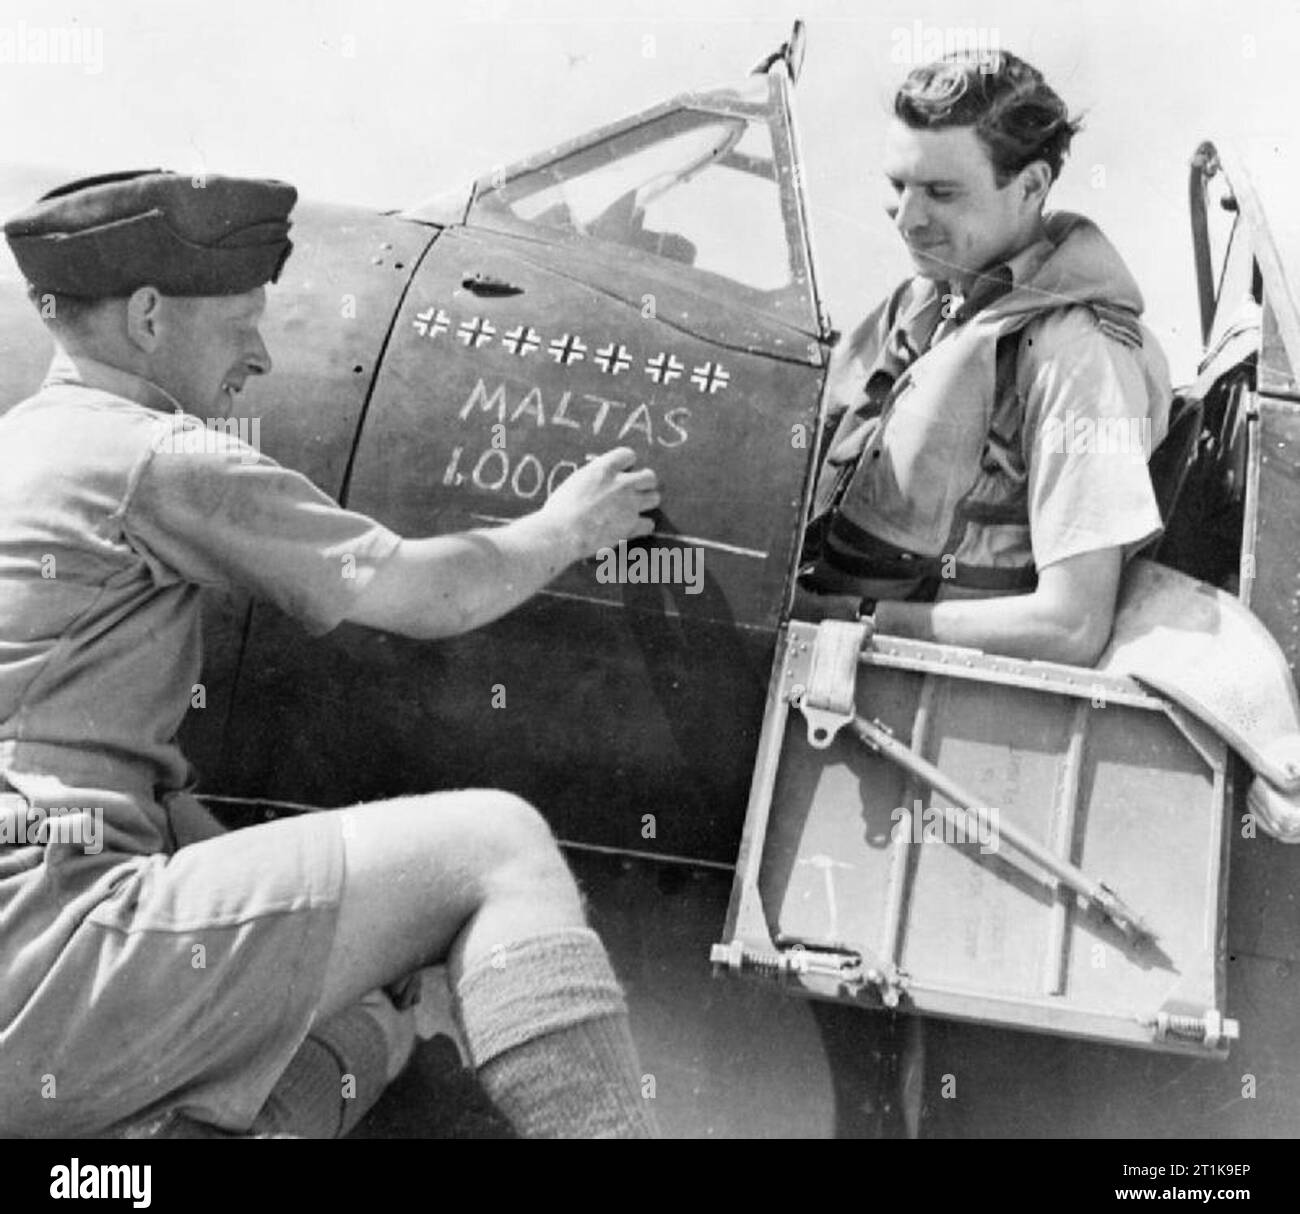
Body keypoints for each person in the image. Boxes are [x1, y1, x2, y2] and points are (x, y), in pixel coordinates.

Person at [0, 169, 661, 1138]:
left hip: (32, 981)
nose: (258, 355)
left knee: (364, 1016)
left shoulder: (27, 444)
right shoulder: (152, 453)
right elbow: (430, 592)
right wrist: (567, 526)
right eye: (239, 322)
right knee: (497, 846)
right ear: (148, 316)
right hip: (51, 952)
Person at [798, 50, 1172, 667]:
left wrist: (848, 620)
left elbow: (1071, 625)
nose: (908, 221)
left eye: (941, 193)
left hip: (899, 690)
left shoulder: (1077, 354)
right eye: (898, 187)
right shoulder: (930, 300)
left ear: (1030, 187)